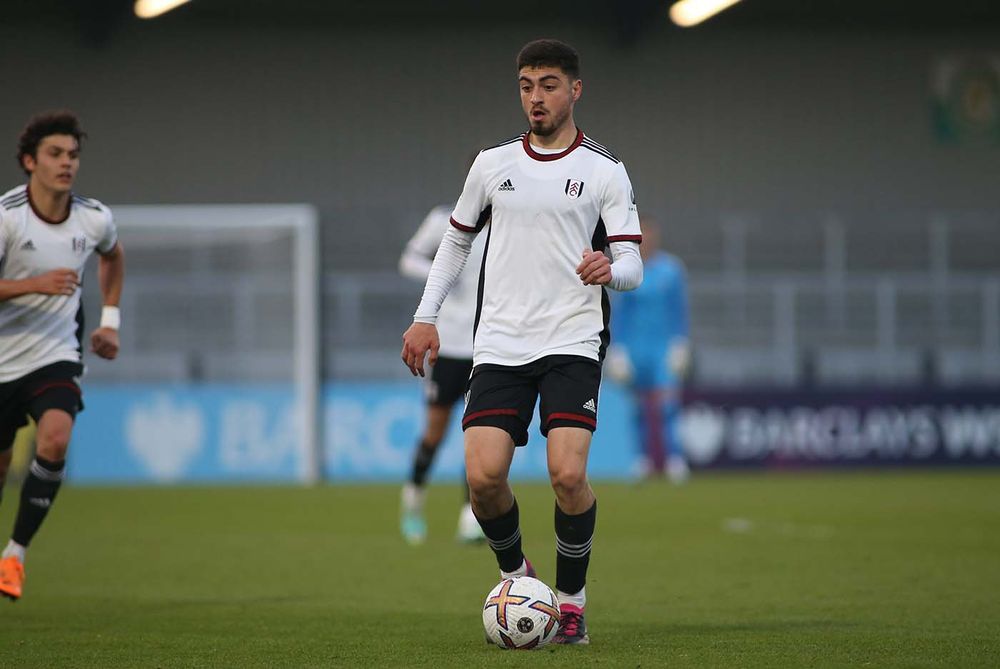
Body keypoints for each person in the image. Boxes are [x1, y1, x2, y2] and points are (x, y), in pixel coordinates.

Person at [401, 39, 643, 645]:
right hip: (500, 341)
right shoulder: (491, 164)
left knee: (566, 475)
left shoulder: (603, 171)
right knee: (483, 479)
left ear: (575, 89)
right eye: (527, 86)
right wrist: (425, 317)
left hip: (572, 337)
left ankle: (571, 605)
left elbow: (633, 262)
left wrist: (610, 269)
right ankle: (517, 580)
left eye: (549, 85)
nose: (536, 97)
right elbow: (454, 244)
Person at [0, 110, 125, 601]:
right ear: (30, 161)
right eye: (55, 154)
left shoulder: (93, 217)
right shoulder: (7, 218)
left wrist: (109, 321)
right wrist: (33, 284)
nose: (66, 163)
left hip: (55, 353)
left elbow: (113, 255)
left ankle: (14, 555)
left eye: (73, 155)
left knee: (54, 438)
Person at [398, 199, 487, 545]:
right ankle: (413, 502)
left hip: (487, 345)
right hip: (447, 344)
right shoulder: (443, 218)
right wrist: (444, 272)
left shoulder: (509, 222)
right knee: (435, 433)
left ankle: (470, 517)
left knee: (479, 434)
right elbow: (408, 260)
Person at [605, 218, 691, 483]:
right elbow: (620, 312)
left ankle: (674, 459)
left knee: (667, 405)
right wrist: (617, 348)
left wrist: (680, 342)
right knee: (637, 407)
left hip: (663, 347)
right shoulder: (629, 269)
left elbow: (679, 308)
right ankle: (641, 459)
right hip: (634, 347)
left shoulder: (672, 269)